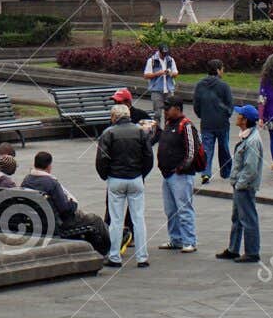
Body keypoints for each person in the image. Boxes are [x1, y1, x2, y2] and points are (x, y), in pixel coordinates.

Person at [95, 103, 153, 268]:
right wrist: (142, 174)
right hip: (136, 177)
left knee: (116, 219)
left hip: (116, 178)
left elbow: (102, 159)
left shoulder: (109, 133)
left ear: (114, 117)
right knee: (138, 218)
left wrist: (105, 175)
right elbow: (148, 156)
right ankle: (142, 257)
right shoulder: (140, 132)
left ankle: (114, 256)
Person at [22, 151, 110, 255]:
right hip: (58, 223)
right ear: (49, 166)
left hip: (36, 221)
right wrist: (72, 203)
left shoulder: (27, 180)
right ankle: (106, 249)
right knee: (95, 219)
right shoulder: (51, 183)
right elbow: (65, 209)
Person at [217, 105, 264, 262]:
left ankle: (252, 252)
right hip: (240, 184)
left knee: (248, 218)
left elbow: (250, 168)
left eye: (239, 115)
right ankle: (233, 249)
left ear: (245, 120)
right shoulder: (248, 136)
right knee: (237, 217)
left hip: (245, 186)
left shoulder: (252, 141)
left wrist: (239, 184)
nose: (236, 117)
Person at [155, 94, 200, 252]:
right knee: (171, 210)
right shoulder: (169, 124)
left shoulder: (186, 125)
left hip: (180, 175)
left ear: (178, 109)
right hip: (167, 174)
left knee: (184, 208)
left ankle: (189, 241)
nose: (165, 111)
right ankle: (176, 239)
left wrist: (181, 168)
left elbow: (192, 151)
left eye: (168, 108)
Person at [193, 58, 234, 184]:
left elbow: (196, 105)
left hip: (206, 123)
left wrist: (202, 115)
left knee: (206, 148)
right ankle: (225, 172)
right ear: (218, 70)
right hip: (222, 123)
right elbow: (230, 105)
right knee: (224, 148)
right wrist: (227, 114)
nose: (223, 72)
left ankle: (206, 173)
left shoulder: (200, 85)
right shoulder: (224, 86)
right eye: (222, 69)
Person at [143, 45, 178, 122]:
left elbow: (176, 73)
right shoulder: (151, 60)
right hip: (156, 91)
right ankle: (157, 132)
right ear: (159, 51)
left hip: (169, 90)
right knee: (157, 114)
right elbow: (146, 75)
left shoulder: (170, 60)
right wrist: (157, 74)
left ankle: (167, 132)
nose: (164, 55)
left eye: (166, 53)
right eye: (163, 53)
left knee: (169, 114)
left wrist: (170, 73)